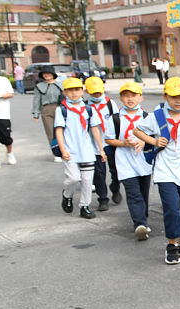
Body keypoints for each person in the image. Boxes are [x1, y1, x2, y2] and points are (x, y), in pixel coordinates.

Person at [134, 77, 180, 265]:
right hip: (165, 171)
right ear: (165, 96)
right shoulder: (157, 117)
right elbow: (137, 130)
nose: (178, 101)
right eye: (173, 97)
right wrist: (154, 141)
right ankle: (172, 245)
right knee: (172, 208)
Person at [104, 81, 153, 240]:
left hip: (144, 162)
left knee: (143, 192)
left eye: (133, 95)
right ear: (121, 98)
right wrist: (124, 143)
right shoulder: (115, 118)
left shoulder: (147, 117)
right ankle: (139, 224)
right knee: (133, 194)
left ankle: (143, 219)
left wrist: (144, 141)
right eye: (126, 96)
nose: (130, 99)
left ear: (141, 98)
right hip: (124, 161)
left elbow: (155, 137)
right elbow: (109, 139)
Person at [54, 77, 105, 219]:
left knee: (88, 181)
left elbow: (95, 129)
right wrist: (63, 150)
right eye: (70, 90)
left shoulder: (89, 109)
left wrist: (100, 149)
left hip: (87, 150)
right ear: (64, 92)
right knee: (73, 178)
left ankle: (85, 206)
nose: (74, 93)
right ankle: (67, 194)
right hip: (70, 151)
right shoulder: (62, 110)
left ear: (83, 91)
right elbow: (59, 130)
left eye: (77, 89)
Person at [85, 76, 120, 210]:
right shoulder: (86, 107)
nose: (97, 94)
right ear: (87, 91)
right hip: (94, 144)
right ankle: (103, 198)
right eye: (94, 92)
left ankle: (115, 187)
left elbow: (117, 121)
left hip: (111, 141)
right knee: (99, 173)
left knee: (115, 169)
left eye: (99, 92)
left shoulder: (110, 104)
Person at [32, 65, 64, 159]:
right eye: (44, 74)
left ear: (53, 74)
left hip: (60, 108)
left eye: (48, 73)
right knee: (50, 131)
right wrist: (36, 113)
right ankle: (56, 152)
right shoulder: (39, 86)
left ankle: (65, 149)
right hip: (46, 109)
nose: (46, 75)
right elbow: (36, 100)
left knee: (62, 130)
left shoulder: (61, 85)